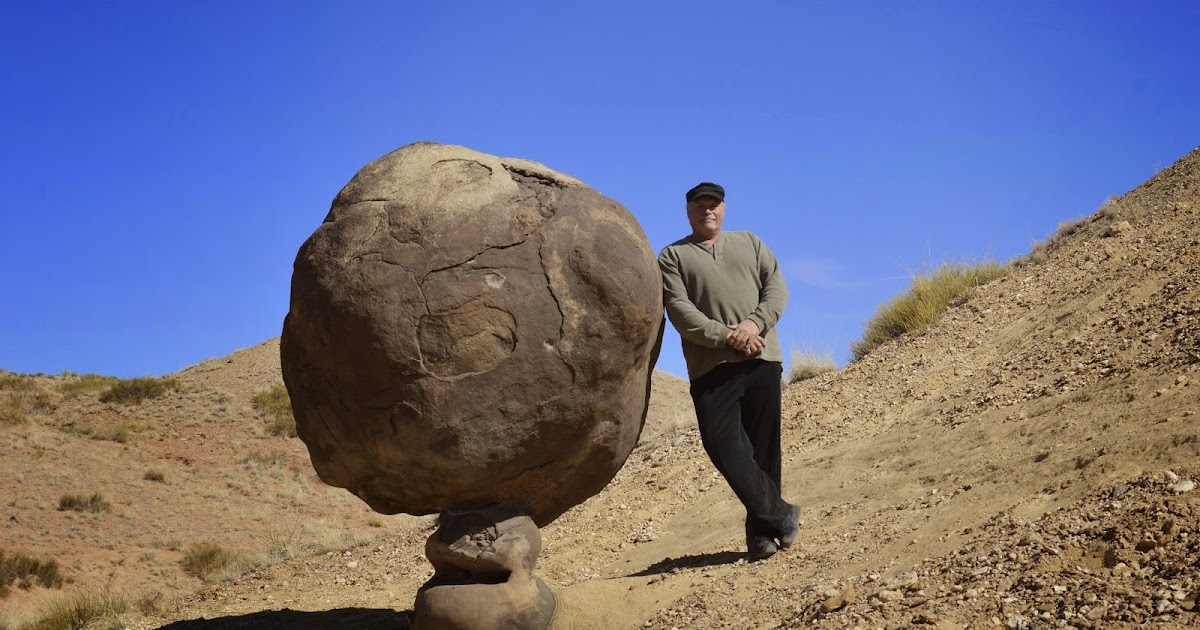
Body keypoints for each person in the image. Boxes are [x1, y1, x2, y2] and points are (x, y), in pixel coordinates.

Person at [657, 181, 800, 560]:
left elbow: (777, 289)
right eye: (700, 205)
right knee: (722, 446)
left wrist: (753, 325)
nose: (708, 210)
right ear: (688, 212)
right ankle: (782, 514)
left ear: (723, 209)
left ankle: (761, 539)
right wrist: (728, 336)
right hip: (711, 368)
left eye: (714, 204)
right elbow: (680, 312)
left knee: (764, 452)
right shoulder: (672, 256)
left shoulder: (750, 242)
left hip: (762, 358)